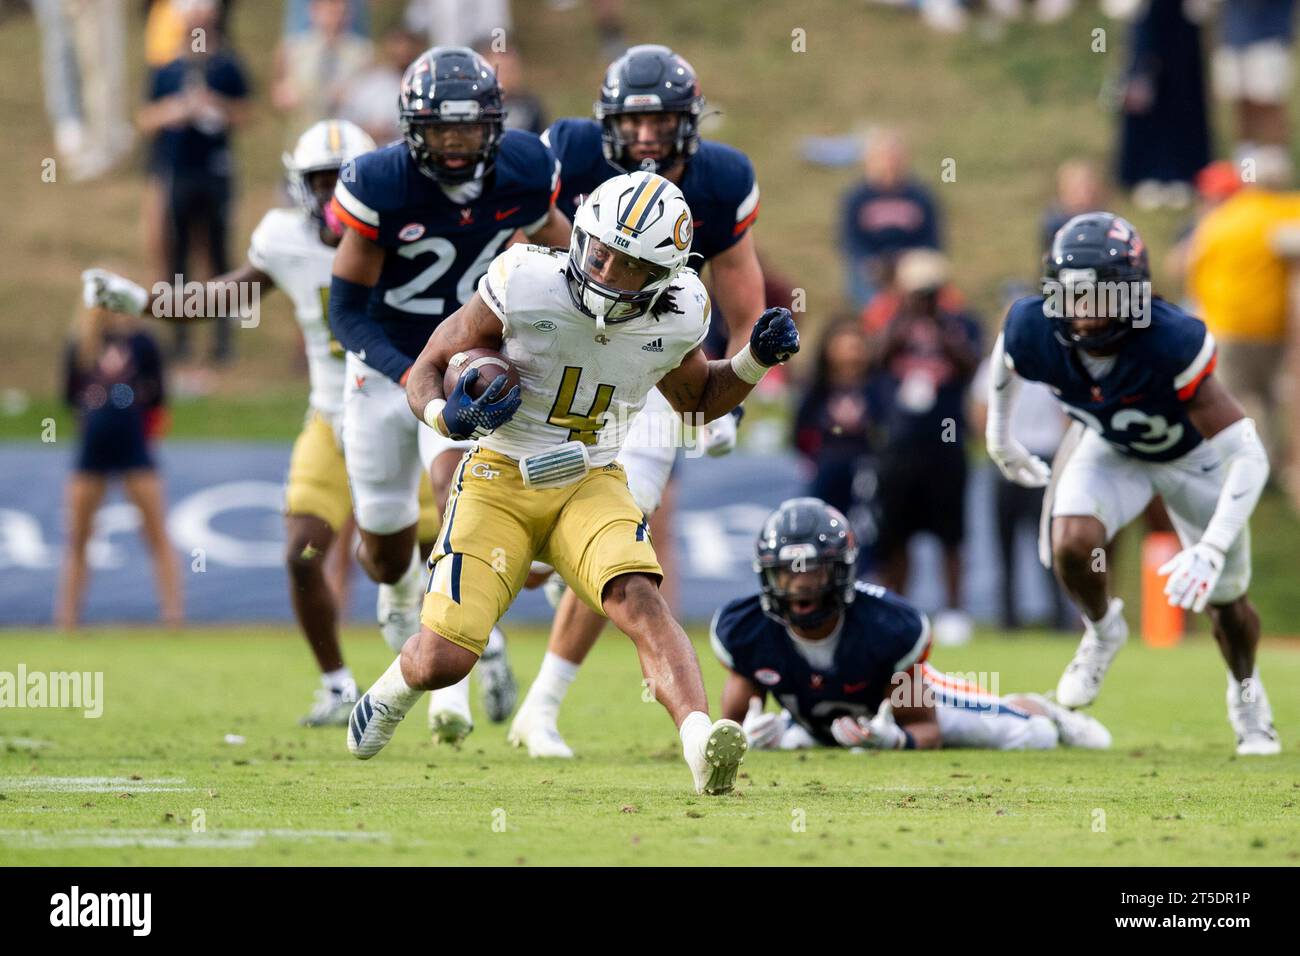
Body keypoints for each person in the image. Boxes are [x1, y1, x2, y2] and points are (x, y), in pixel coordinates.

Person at [346, 170, 800, 796]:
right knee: (443, 659)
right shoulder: (525, 280)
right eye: (600, 253)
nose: (607, 274)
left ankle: (700, 740)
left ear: (663, 277)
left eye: (630, 267)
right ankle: (394, 687)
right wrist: (444, 416)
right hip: (500, 474)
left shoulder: (681, 310)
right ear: (580, 234)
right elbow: (429, 362)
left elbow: (696, 399)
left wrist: (753, 361)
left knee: (638, 600)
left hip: (592, 476)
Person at [82, 120, 445, 726]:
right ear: (298, 185)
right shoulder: (284, 238)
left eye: (344, 181)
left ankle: (475, 660)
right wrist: (141, 301)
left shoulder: (408, 231)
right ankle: (334, 685)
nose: (332, 196)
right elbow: (221, 297)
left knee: (440, 549)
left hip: (410, 411)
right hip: (334, 416)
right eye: (321, 182)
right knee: (303, 551)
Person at [507, 45, 767, 758]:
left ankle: (541, 707)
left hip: (649, 359)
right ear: (607, 122)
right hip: (560, 348)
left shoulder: (721, 179)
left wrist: (733, 387)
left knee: (627, 527)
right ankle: (462, 634)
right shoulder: (568, 151)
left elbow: (744, 297)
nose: (647, 135)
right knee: (523, 550)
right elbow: (521, 242)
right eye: (634, 120)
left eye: (661, 120)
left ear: (688, 122)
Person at [327, 47, 571, 743]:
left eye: (468, 131)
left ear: (494, 127)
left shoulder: (525, 171)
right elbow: (346, 310)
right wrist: (412, 375)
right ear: (412, 129)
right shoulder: (382, 183)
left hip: (469, 366)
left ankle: (459, 646)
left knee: (458, 489)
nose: (456, 146)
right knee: (382, 545)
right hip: (387, 367)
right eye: (442, 131)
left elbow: (567, 258)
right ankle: (404, 592)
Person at [987, 212, 1280, 755]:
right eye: (1073, 295)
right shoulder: (1033, 326)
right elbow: (1004, 363)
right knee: (1071, 543)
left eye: (1100, 297)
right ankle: (1103, 632)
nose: (1085, 312)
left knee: (1227, 601)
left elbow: (1249, 454)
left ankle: (1246, 693)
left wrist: (1211, 547)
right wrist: (1000, 440)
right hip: (1114, 451)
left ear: (1133, 294)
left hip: (1194, 462)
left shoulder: (1171, 339)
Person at [714, 499, 1110, 753]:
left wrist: (894, 740)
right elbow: (727, 734)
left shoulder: (887, 626)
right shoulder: (748, 631)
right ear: (767, 577)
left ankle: (1047, 710)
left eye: (813, 573)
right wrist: (747, 738)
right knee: (796, 738)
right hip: (823, 722)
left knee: (1033, 738)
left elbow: (926, 729)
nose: (800, 587)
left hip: (908, 709)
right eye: (787, 574)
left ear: (840, 572)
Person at [866, 249, 981, 644]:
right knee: (896, 534)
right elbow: (874, 359)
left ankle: (953, 611)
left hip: (945, 444)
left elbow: (970, 366)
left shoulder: (960, 323)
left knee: (951, 534)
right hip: (900, 444)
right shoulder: (891, 322)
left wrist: (939, 326)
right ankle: (896, 608)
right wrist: (906, 321)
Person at [138, 0, 251, 366]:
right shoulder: (168, 69)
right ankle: (181, 337)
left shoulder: (226, 66)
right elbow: (145, 118)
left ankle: (222, 340)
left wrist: (216, 107)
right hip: (179, 172)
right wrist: (174, 111)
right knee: (178, 258)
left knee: (218, 258)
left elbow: (247, 113)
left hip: (215, 173)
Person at [56, 306, 181, 630]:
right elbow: (69, 398)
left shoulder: (142, 343)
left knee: (156, 533)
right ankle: (67, 620)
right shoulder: (82, 343)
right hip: (92, 452)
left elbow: (158, 397)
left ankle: (173, 618)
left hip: (135, 450)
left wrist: (148, 434)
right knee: (79, 537)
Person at [1185, 154, 1300, 470]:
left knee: (1230, 398)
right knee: (1270, 398)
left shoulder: (1223, 217)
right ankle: (1269, 464)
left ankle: (1234, 464)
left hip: (1225, 323)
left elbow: (1192, 265)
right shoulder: (1288, 209)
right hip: (1273, 328)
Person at [792, 318, 880, 571]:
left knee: (864, 531)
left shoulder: (875, 387)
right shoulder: (818, 389)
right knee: (821, 528)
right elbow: (800, 431)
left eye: (856, 345)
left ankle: (861, 579)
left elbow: (887, 428)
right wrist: (815, 458)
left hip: (865, 470)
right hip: (826, 467)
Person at [839, 128, 942, 309]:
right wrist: (872, 261)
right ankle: (877, 321)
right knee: (866, 281)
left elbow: (932, 240)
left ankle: (919, 320)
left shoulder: (919, 196)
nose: (890, 165)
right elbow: (850, 240)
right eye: (884, 158)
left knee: (926, 274)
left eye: (894, 158)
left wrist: (907, 259)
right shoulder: (857, 198)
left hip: (911, 261)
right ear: (870, 162)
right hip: (873, 263)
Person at [272, 0, 374, 139]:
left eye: (341, 13)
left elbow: (370, 96)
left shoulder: (363, 53)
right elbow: (279, 92)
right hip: (303, 133)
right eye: (330, 13)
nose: (336, 19)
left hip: (345, 134)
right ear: (314, 13)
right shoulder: (294, 48)